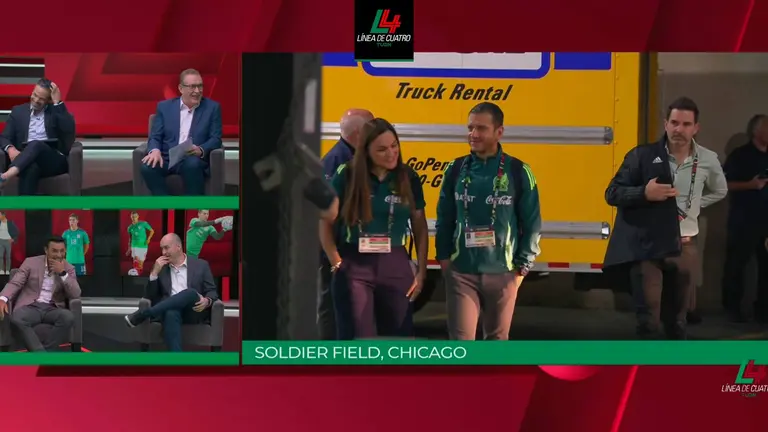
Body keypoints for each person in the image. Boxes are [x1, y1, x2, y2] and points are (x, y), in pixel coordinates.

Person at [604, 97, 727, 340]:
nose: (679, 129)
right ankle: (645, 362)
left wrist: (694, 205)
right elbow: (612, 193)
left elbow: (720, 190)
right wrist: (644, 193)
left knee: (678, 323)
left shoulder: (707, 159)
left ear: (696, 128)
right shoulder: (642, 155)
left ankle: (672, 362)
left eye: (686, 124)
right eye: (674, 123)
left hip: (684, 247)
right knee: (648, 321)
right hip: (648, 247)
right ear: (666, 124)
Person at [435, 102, 542, 341]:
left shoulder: (519, 171)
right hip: (461, 272)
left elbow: (532, 224)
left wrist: (521, 269)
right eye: (470, 128)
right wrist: (444, 259)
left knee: (496, 346)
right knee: (460, 346)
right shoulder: (455, 169)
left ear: (499, 132)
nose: (473, 134)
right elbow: (444, 217)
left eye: (481, 128)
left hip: (503, 273)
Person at [320, 117, 428, 340]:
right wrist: (336, 261)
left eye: (394, 146)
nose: (391, 153)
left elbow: (420, 225)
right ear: (366, 151)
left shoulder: (408, 177)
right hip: (354, 265)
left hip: (395, 263)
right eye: (382, 149)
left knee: (398, 341)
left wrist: (421, 271)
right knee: (357, 341)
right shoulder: (347, 174)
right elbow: (324, 221)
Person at [318, 108, 374, 340]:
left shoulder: (351, 157)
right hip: (337, 247)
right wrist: (336, 258)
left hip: (348, 247)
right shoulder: (337, 162)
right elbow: (326, 215)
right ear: (359, 133)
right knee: (332, 304)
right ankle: (329, 352)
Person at [124, 233, 219, 352]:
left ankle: (144, 314)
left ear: (178, 247)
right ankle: (176, 360)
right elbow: (149, 296)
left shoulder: (201, 265)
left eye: (166, 248)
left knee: (190, 293)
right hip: (169, 311)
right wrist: (154, 273)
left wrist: (207, 301)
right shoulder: (160, 268)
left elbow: (212, 291)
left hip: (194, 310)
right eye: (162, 249)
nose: (163, 252)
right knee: (171, 312)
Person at [140, 68, 223, 196]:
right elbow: (155, 136)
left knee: (192, 164)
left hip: (192, 157)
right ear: (181, 88)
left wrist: (200, 149)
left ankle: (191, 206)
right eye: (192, 87)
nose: (197, 91)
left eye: (200, 86)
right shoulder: (164, 107)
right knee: (147, 167)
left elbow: (215, 139)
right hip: (167, 158)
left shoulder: (212, 108)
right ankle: (166, 204)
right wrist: (154, 150)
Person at [721, 114, 768, 323]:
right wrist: (751, 185)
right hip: (744, 221)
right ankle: (733, 310)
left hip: (766, 222)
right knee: (736, 266)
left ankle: (763, 311)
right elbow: (723, 185)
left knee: (766, 268)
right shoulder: (740, 156)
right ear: (757, 131)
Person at [0, 237, 81, 352]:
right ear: (46, 250)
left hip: (53, 308)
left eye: (62, 251)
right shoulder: (31, 262)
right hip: (31, 306)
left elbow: (75, 293)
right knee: (17, 317)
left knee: (68, 317)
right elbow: (16, 282)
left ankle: (44, 352)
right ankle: (41, 354)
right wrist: (3, 298)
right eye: (54, 251)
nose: (59, 255)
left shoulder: (69, 268)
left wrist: (62, 273)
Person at [0, 79, 76, 195]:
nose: (36, 100)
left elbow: (68, 129)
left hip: (52, 160)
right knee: (31, 167)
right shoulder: (18, 112)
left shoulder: (55, 112)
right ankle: (25, 205)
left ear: (48, 100)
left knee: (36, 144)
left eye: (41, 98)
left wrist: (57, 103)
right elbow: (4, 137)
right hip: (25, 160)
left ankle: (6, 175)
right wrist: (11, 149)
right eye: (35, 95)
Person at [125, 212, 155, 276]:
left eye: (135, 216)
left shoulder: (143, 223)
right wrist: (129, 248)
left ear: (138, 216)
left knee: (141, 263)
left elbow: (152, 231)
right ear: (131, 217)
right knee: (136, 259)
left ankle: (138, 273)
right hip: (134, 245)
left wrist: (148, 239)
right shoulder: (130, 227)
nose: (134, 218)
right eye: (133, 217)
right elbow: (130, 238)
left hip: (143, 245)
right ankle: (135, 273)